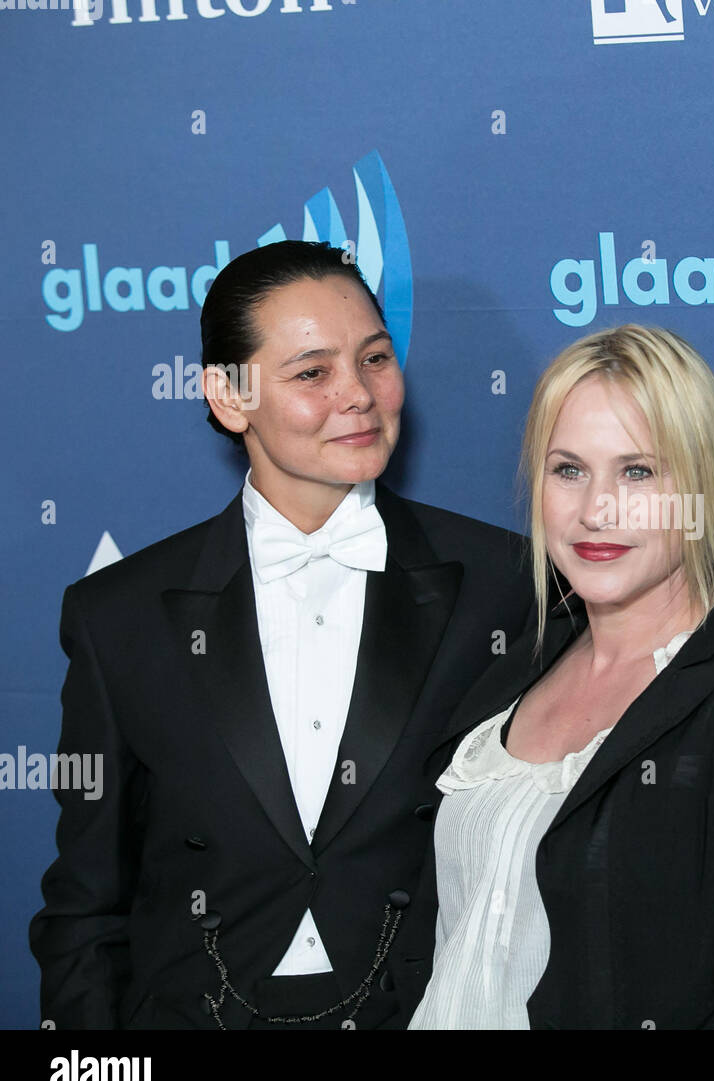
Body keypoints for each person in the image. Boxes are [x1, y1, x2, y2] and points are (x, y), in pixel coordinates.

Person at [29, 240, 533, 1029]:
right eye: (312, 373)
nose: (359, 395)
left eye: (375, 358)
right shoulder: (119, 616)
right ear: (229, 398)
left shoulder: (506, 584)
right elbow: (87, 903)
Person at [392, 324, 714, 1029]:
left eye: (637, 471)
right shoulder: (509, 666)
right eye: (568, 469)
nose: (594, 510)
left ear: (702, 485)